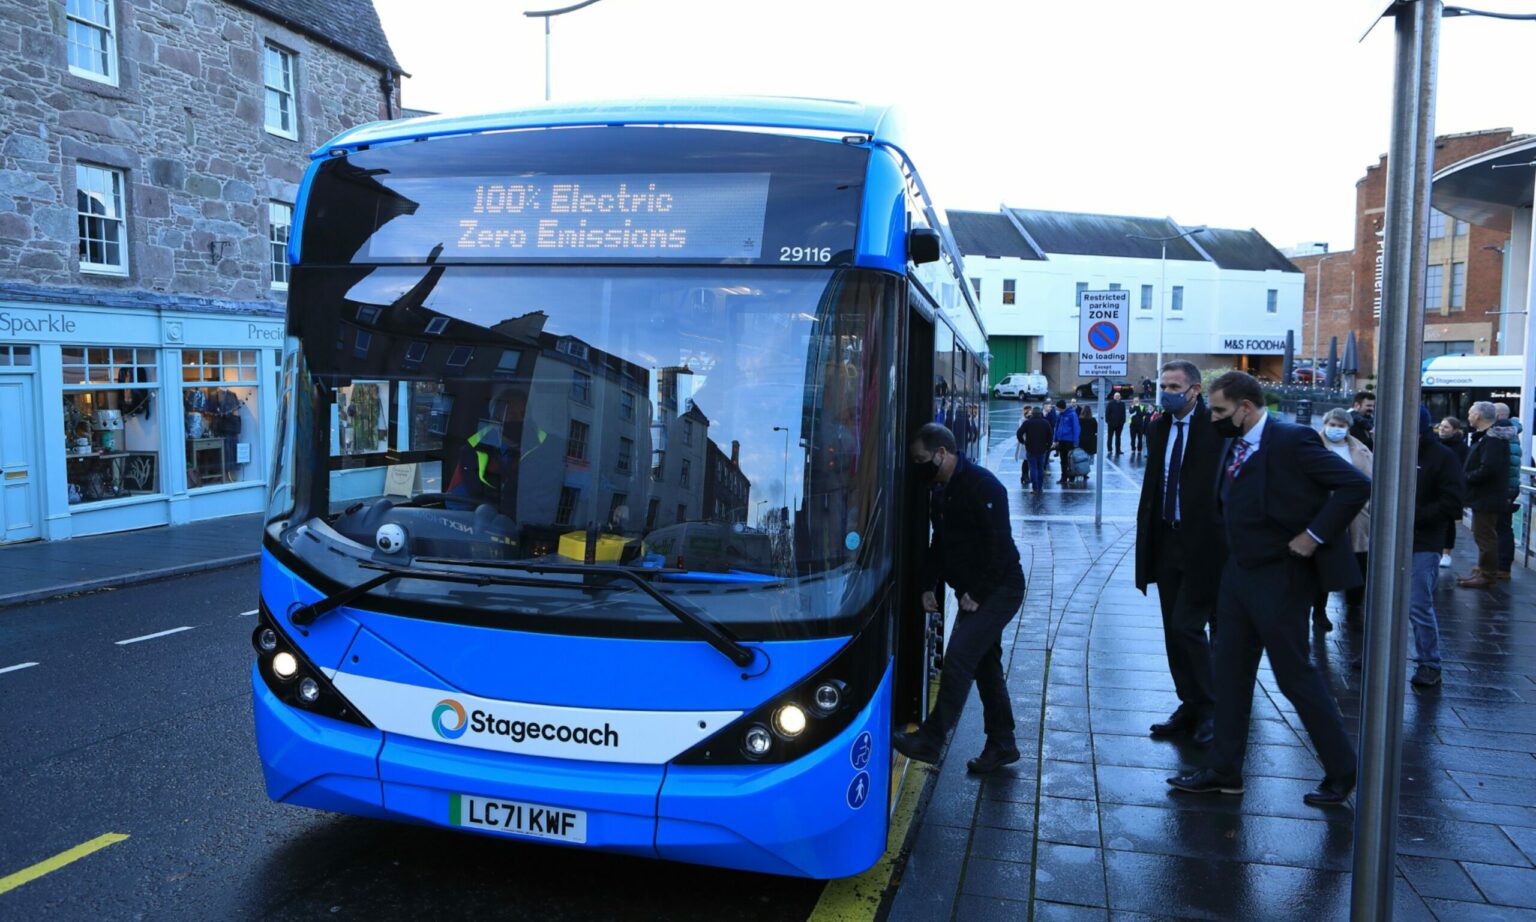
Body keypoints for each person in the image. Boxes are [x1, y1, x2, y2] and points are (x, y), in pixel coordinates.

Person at [1168, 371, 1368, 806]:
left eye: (1220, 410)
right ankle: (1224, 771)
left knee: (1294, 676)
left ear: (1245, 407)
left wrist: (1313, 536)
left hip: (1281, 575)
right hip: (1238, 574)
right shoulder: (1232, 441)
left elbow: (1355, 485)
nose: (1214, 418)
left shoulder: (1292, 439)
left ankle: (1343, 770)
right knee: (1230, 673)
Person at [895, 423, 1025, 774]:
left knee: (959, 658)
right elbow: (940, 546)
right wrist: (927, 586)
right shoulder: (942, 490)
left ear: (941, 453)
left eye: (922, 459)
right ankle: (1002, 743)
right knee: (985, 665)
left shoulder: (984, 486)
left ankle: (931, 740)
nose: (918, 466)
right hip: (973, 592)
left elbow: (1001, 547)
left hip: (1000, 589)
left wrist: (977, 594)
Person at [1134, 360, 1225, 747]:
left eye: (1174, 386)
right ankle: (1189, 702)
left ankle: (1211, 707)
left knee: (1190, 626)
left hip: (1205, 545)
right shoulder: (1159, 427)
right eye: (1163, 385)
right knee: (1174, 629)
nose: (1166, 392)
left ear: (1194, 390)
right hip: (1167, 540)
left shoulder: (1217, 429)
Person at [1409, 406, 1467, 688]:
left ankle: (1429, 663)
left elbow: (1453, 503)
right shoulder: (1391, 450)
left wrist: (1412, 516)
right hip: (1388, 540)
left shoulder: (1443, 457)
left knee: (1418, 605)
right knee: (1381, 601)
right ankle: (1377, 651)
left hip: (1423, 541)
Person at [1310, 409, 1372, 633]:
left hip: (1358, 514)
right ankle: (1319, 611)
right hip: (1326, 511)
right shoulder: (1313, 445)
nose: (1336, 429)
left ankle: (1354, 607)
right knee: (1324, 562)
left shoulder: (1361, 449)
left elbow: (1369, 479)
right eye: (1333, 424)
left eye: (1341, 425)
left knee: (1359, 560)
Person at [1459, 401, 1513, 588]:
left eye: (1470, 413)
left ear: (1478, 416)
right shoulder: (1489, 437)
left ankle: (1487, 574)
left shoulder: (1492, 439)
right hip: (1485, 495)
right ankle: (1483, 570)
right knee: (1482, 534)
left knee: (1485, 535)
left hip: (1486, 496)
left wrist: (1465, 477)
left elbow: (1488, 469)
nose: (1468, 416)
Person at [1493, 403, 1523, 576]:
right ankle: (1500, 564)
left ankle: (1502, 565)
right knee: (1502, 526)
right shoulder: (1511, 432)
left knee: (1502, 527)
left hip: (1504, 488)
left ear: (1499, 415)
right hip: (1509, 486)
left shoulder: (1504, 433)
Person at [1436, 417, 1469, 568]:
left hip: (1450, 488)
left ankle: (1446, 552)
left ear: (1455, 430)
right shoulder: (1435, 443)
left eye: (1446, 427)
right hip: (1436, 487)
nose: (1442, 429)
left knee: (1449, 522)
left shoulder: (1461, 448)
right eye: (1441, 426)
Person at [1019, 404, 1054, 495]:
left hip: (1030, 449)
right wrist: (1048, 446)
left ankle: (1035, 488)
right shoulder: (1045, 423)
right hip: (1042, 449)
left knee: (1033, 468)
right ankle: (1040, 487)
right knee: (1040, 468)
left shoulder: (1027, 422)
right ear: (1040, 413)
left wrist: (1023, 441)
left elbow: (1019, 433)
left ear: (1033, 413)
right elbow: (1050, 436)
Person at [1053, 399, 1080, 484]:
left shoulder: (1072, 414)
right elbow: (1056, 427)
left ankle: (1071, 477)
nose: (1056, 409)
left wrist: (1075, 441)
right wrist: (1055, 439)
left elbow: (1076, 428)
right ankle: (1063, 477)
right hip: (1061, 440)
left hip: (1069, 440)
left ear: (1061, 407)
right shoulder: (1060, 415)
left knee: (1070, 460)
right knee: (1063, 460)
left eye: (1057, 407)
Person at [1106, 391, 1127, 456]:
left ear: (1120, 397)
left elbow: (1124, 414)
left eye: (1118, 396)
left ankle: (1118, 450)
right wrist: (1108, 422)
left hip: (1119, 424)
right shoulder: (1110, 403)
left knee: (1118, 438)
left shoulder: (1122, 404)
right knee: (1110, 437)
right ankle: (1109, 450)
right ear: (1114, 397)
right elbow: (1107, 413)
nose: (1117, 397)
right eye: (1116, 396)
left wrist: (1123, 422)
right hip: (1111, 424)